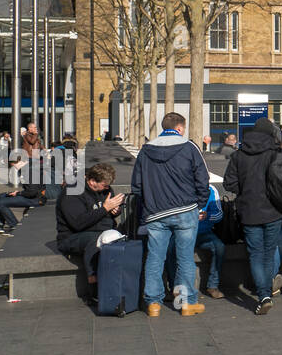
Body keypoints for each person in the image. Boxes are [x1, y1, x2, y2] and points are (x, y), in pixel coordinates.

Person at [131, 112, 209, 317]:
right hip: (185, 210)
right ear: (180, 128)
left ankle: (153, 303)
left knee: (155, 258)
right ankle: (185, 303)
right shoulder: (190, 147)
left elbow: (137, 186)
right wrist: (199, 204)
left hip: (155, 213)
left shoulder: (146, 150)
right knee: (185, 259)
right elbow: (203, 179)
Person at [224, 116, 282, 315]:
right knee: (268, 253)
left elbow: (229, 183)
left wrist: (244, 191)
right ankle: (265, 291)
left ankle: (263, 295)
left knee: (255, 254)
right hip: (272, 211)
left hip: (249, 211)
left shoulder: (239, 155)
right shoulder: (276, 153)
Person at [55, 161, 125, 294]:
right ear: (92, 181)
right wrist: (105, 208)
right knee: (97, 241)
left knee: (118, 237)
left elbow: (105, 211)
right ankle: (94, 286)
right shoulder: (72, 193)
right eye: (104, 186)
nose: (107, 189)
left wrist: (115, 210)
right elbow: (78, 223)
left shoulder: (106, 189)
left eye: (108, 186)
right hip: (72, 236)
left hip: (102, 230)